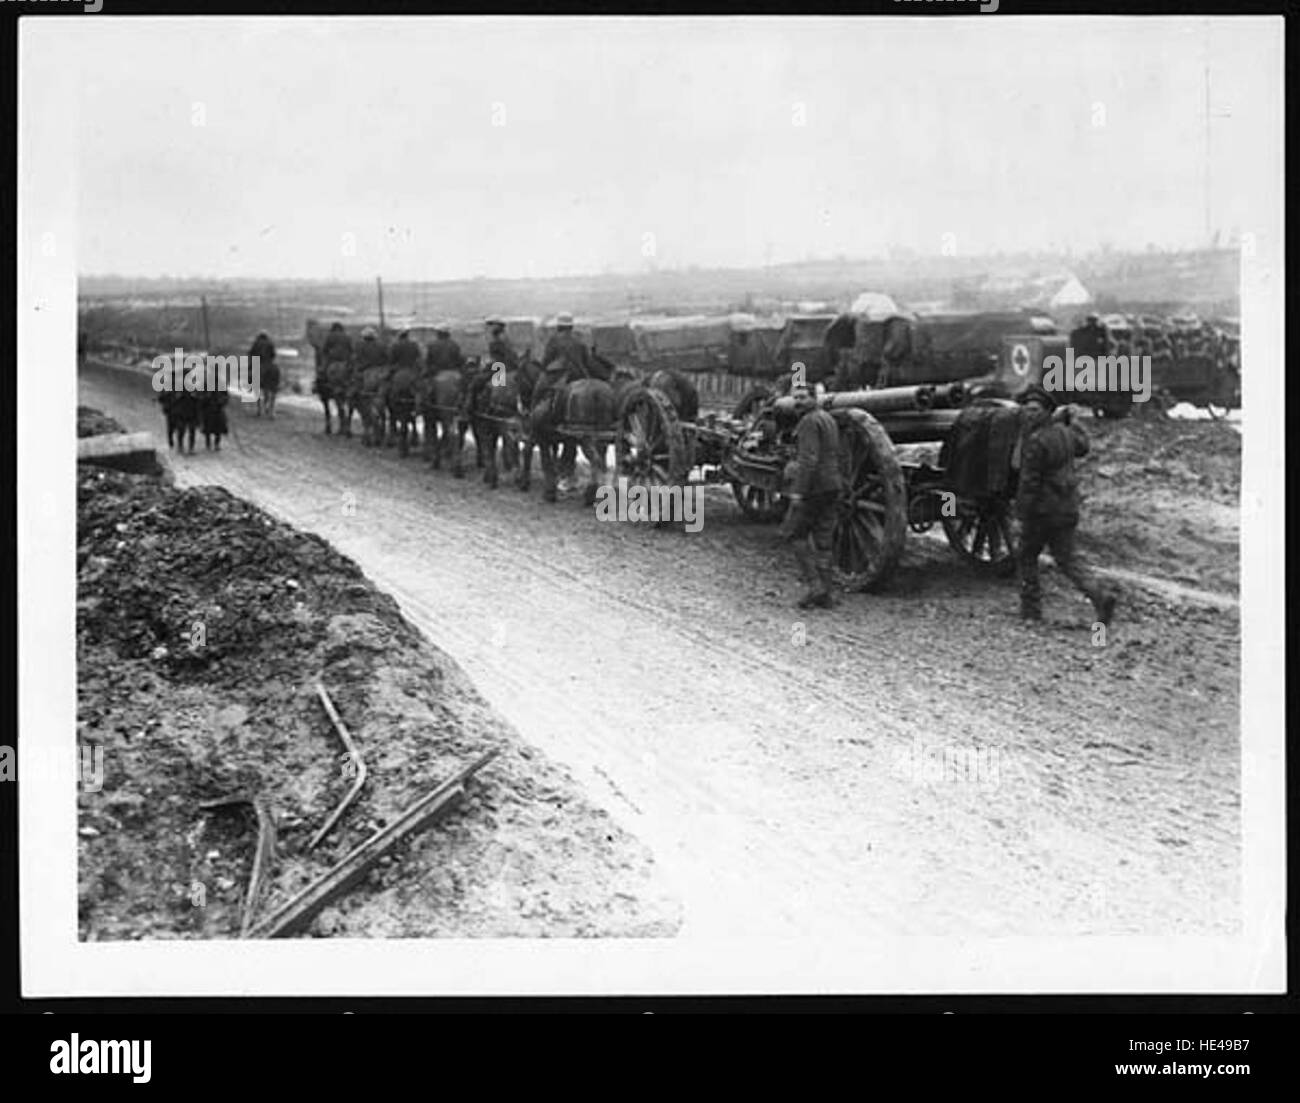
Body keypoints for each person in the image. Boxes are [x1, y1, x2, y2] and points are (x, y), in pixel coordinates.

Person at [1015, 384, 1118, 626]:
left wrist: (1021, 514)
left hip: (1042, 512)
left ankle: (1031, 610)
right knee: (1068, 559)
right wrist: (1074, 421)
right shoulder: (1065, 433)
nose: (1029, 414)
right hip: (1067, 508)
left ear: (1045, 412)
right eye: (1027, 410)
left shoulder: (1036, 441)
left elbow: (1029, 482)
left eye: (1034, 410)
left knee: (1026, 556)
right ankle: (1100, 596)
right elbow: (1084, 446)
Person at [781, 382, 842, 610]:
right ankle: (828, 594)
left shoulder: (808, 422)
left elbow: (809, 460)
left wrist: (798, 491)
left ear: (814, 398)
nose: (798, 402)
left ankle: (814, 585)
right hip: (832, 486)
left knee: (794, 534)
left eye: (803, 397)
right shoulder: (828, 418)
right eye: (795, 398)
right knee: (824, 540)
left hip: (814, 488)